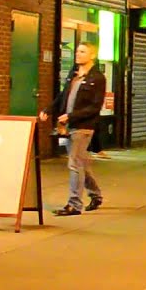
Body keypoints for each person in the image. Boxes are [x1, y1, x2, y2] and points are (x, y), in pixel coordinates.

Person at [40, 42, 107, 216]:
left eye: (83, 52)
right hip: (68, 126)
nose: (78, 54)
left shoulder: (97, 78)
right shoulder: (74, 74)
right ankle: (96, 195)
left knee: (74, 164)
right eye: (77, 51)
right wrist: (48, 110)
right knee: (80, 163)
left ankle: (74, 204)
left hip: (83, 127)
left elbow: (94, 107)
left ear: (92, 55)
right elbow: (63, 96)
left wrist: (71, 116)